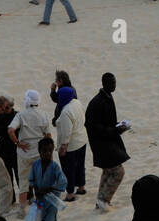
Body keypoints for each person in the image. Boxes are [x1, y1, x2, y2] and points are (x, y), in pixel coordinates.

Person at [86, 73, 130, 212]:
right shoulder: (98, 102)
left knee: (108, 171)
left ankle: (101, 201)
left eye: (115, 82)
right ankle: (104, 199)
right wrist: (114, 130)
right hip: (102, 143)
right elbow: (93, 126)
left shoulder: (107, 97)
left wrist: (119, 126)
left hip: (108, 140)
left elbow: (107, 122)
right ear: (104, 84)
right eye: (111, 83)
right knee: (118, 171)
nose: (114, 85)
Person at [10, 89, 53, 211]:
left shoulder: (20, 115)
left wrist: (18, 143)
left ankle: (22, 210)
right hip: (39, 153)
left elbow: (10, 130)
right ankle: (42, 208)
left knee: (23, 183)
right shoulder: (43, 114)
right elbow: (48, 135)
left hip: (24, 154)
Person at [28, 137, 69, 221]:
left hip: (52, 201)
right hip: (40, 200)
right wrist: (32, 191)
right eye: (44, 151)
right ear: (39, 151)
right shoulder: (35, 165)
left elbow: (63, 181)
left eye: (50, 151)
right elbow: (32, 180)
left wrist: (49, 188)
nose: (47, 154)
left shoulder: (55, 166)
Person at [52, 79, 88, 200]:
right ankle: (81, 188)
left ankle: (70, 194)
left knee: (69, 169)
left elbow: (66, 133)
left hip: (71, 145)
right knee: (80, 165)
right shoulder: (77, 102)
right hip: (82, 140)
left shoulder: (65, 112)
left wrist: (63, 147)